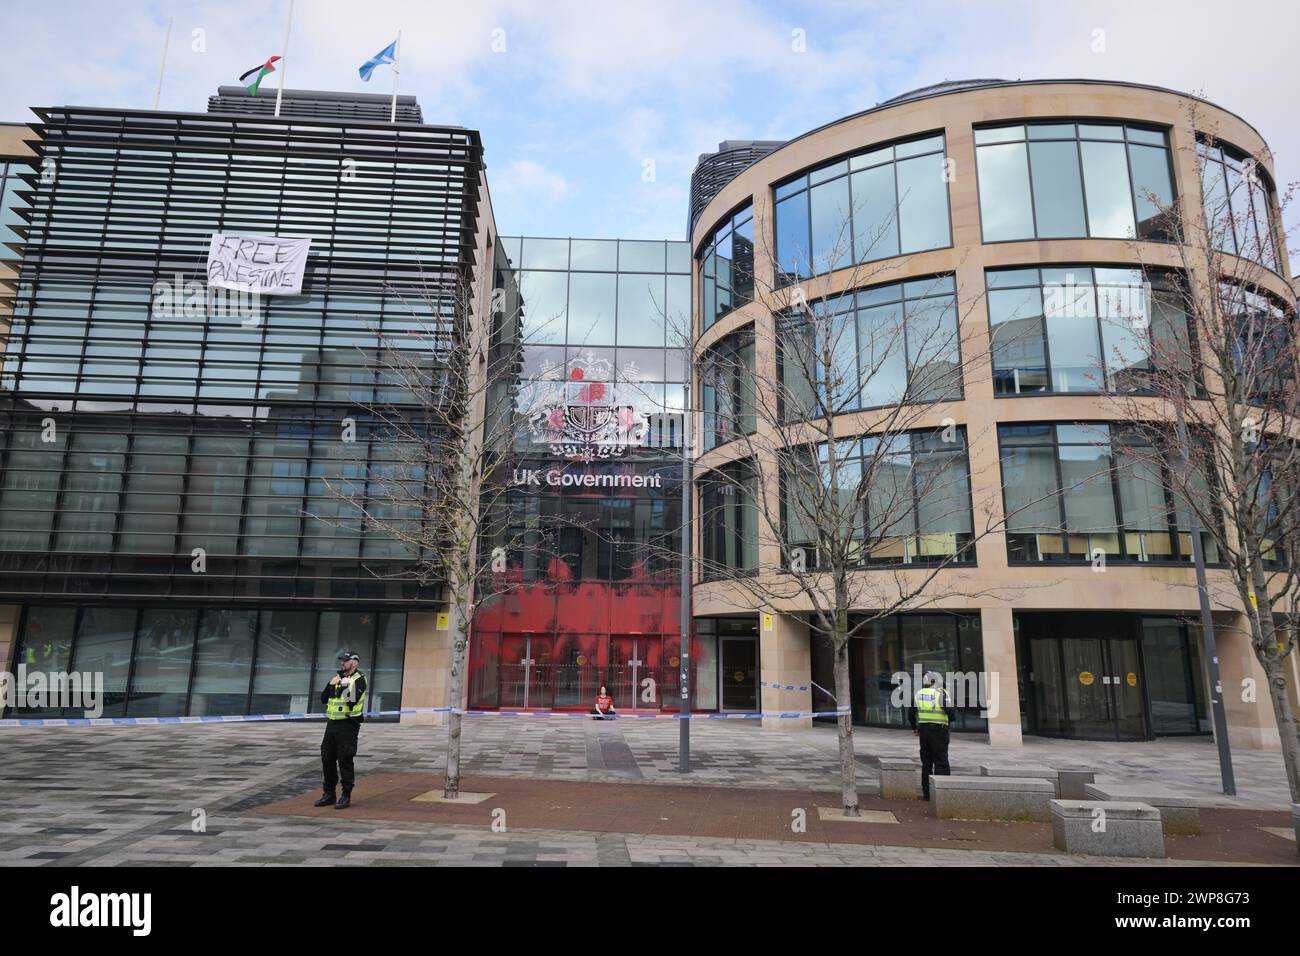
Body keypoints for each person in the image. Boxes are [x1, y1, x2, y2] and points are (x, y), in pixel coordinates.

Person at [314, 649, 367, 810]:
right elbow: (324, 699)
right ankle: (329, 793)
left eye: (346, 660)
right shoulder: (336, 677)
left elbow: (351, 702)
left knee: (345, 759)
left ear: (354, 662)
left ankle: (346, 794)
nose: (342, 663)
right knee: (327, 758)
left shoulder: (360, 679)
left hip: (348, 724)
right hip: (332, 724)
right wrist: (332, 685)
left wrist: (342, 685)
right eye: (341, 660)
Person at [908, 670, 955, 800]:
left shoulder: (919, 694)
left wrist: (915, 728)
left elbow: (910, 714)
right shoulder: (941, 693)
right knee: (941, 761)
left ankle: (927, 794)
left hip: (923, 731)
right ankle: (941, 794)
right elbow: (952, 714)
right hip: (939, 730)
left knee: (926, 763)